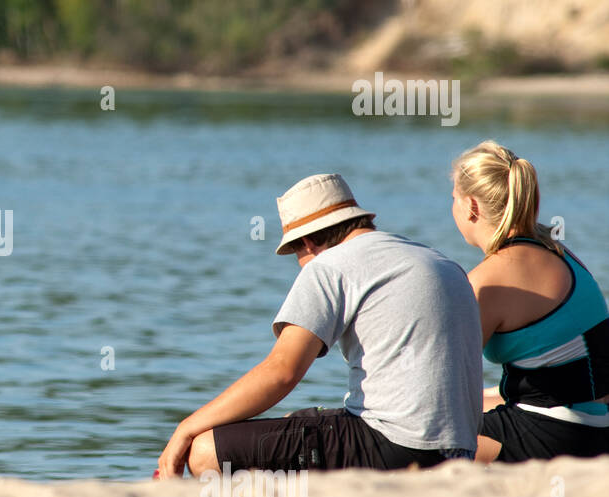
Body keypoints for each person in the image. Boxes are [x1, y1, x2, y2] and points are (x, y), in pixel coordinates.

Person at [156, 173, 481, 478]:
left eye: (294, 251)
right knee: (291, 424)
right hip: (460, 451)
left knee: (206, 450)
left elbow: (281, 372)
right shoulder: (438, 261)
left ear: (309, 242)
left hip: (396, 449)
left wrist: (186, 427)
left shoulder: (329, 265)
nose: (299, 263)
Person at [450, 141, 609, 461]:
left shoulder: (486, 281)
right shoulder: (560, 252)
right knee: (481, 401)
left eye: (453, 198)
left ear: (471, 207)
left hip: (558, 434)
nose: (451, 205)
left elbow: (444, 384)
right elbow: (562, 373)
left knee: (428, 441)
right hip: (597, 423)